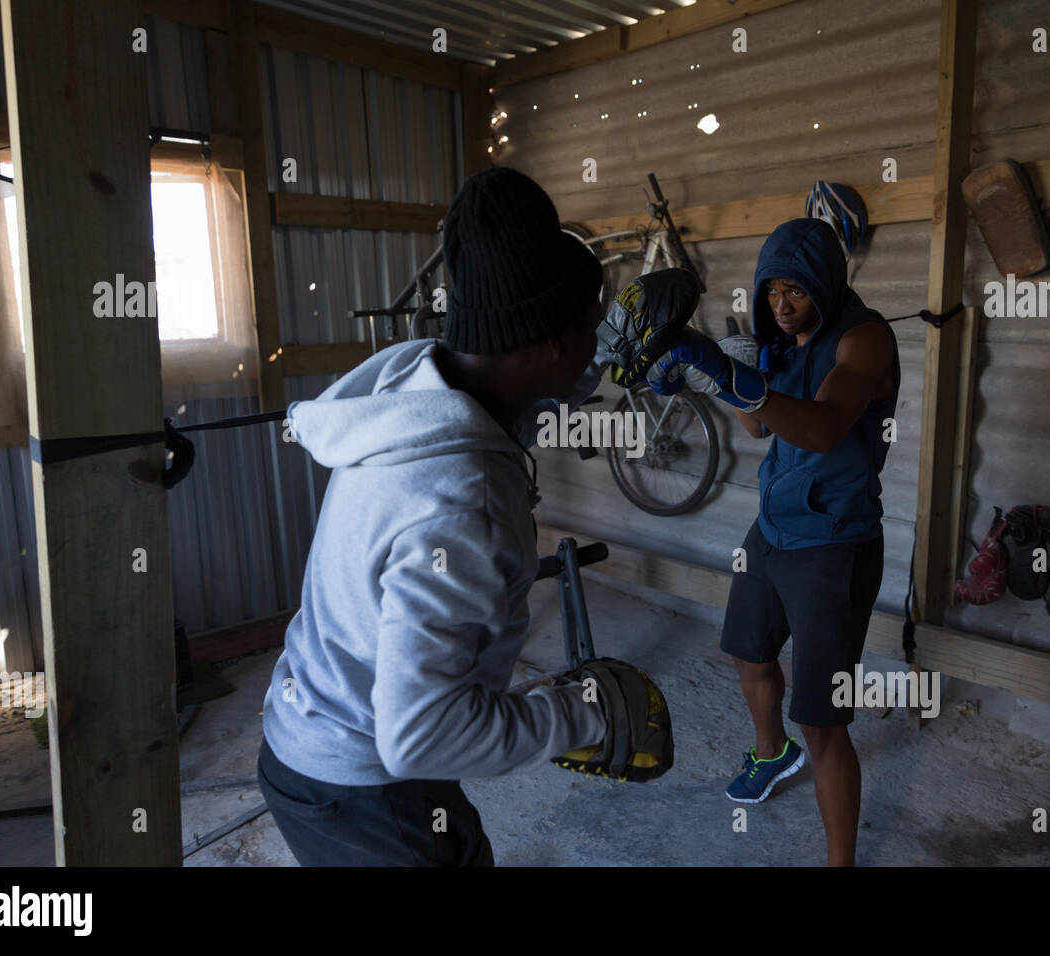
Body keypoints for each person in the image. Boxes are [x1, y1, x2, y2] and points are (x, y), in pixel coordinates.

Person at [257, 168, 616, 866]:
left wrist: (617, 349)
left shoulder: (415, 382)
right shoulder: (463, 502)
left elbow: (530, 393)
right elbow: (421, 736)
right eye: (592, 330)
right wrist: (580, 716)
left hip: (306, 739)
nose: (596, 348)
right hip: (363, 786)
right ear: (554, 342)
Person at [647, 216, 899, 866]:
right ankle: (769, 753)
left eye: (796, 291)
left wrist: (725, 373)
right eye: (772, 291)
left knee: (823, 721)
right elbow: (759, 430)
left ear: (826, 284)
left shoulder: (864, 340)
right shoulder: (776, 340)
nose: (781, 305)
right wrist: (704, 372)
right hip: (773, 529)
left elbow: (821, 429)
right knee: (749, 654)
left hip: (835, 545)